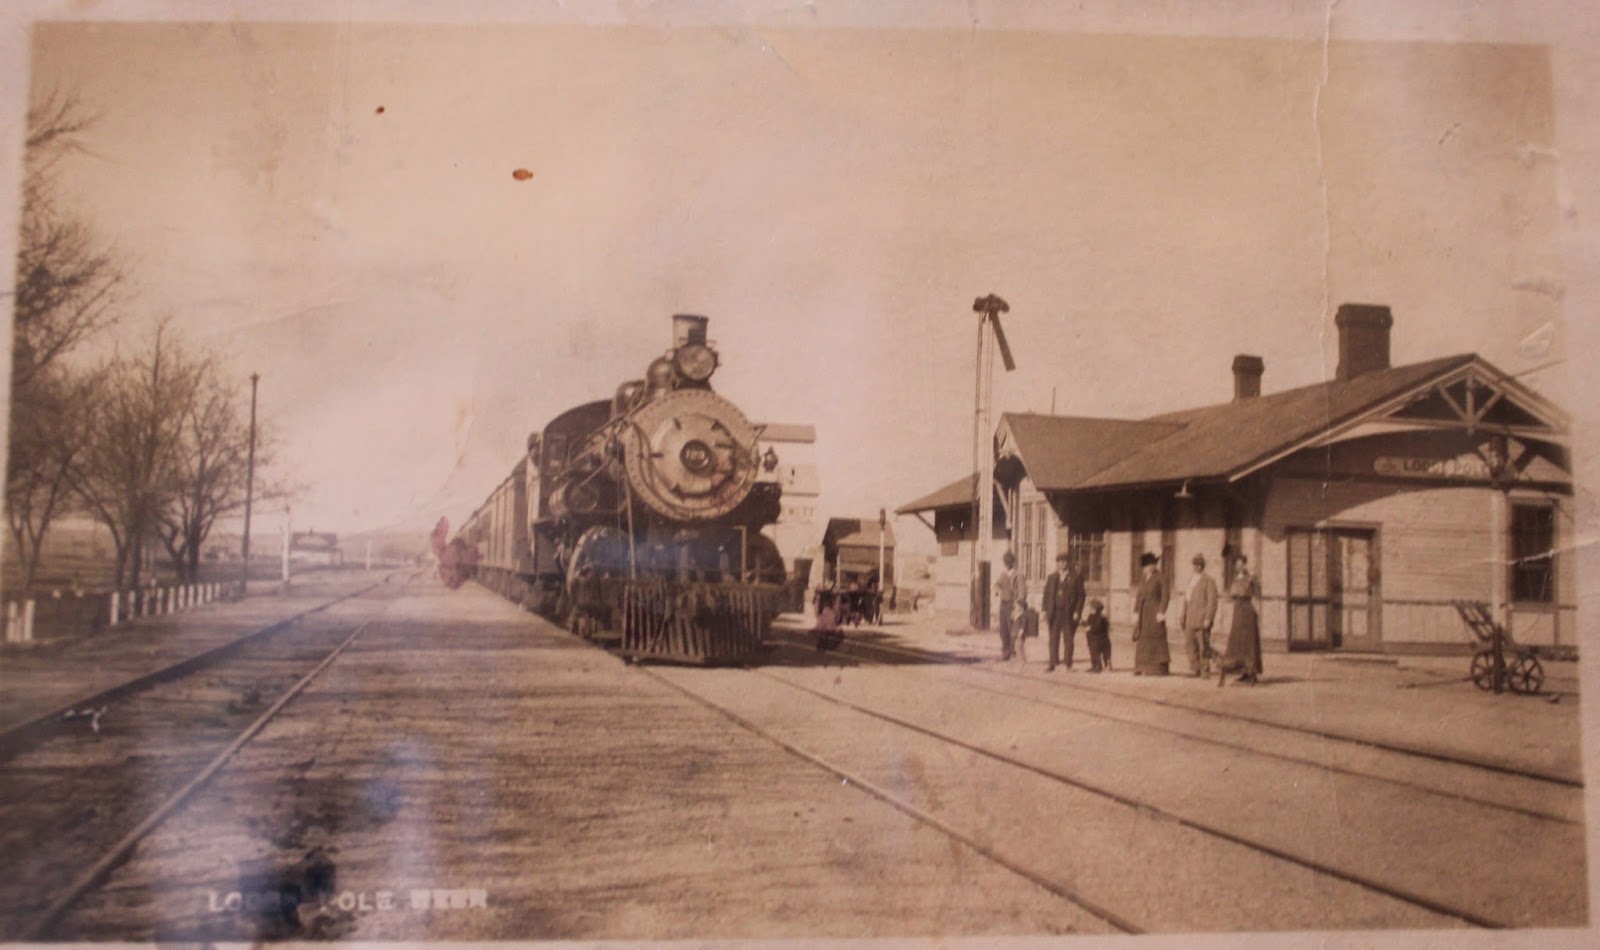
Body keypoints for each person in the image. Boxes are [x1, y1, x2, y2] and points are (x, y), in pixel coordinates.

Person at [1217, 555, 1263, 686]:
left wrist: (1257, 612)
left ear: (1245, 564)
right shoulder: (1235, 580)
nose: (1239, 567)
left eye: (1241, 564)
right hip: (1237, 611)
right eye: (1237, 565)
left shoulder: (1251, 579)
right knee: (1237, 641)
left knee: (1249, 642)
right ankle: (1243, 671)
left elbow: (1258, 596)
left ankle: (1251, 673)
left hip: (1248, 611)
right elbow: (1231, 597)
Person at [1042, 552, 1086, 671]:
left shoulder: (1076, 577)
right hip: (1054, 612)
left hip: (1069, 613)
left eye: (1064, 561)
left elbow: (1081, 596)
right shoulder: (1052, 577)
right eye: (1059, 562)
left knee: (1068, 638)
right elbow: (1046, 594)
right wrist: (1044, 611)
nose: (1061, 564)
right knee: (1053, 638)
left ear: (1068, 562)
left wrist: (1077, 611)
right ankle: (1052, 663)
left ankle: (1068, 664)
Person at [1132, 552, 1170, 675]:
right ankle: (1141, 667)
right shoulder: (1143, 578)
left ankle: (1157, 669)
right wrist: (1136, 611)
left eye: (1147, 566)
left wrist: (1161, 611)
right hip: (1144, 613)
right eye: (1143, 567)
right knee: (1143, 638)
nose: (1144, 569)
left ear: (1153, 566)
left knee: (1156, 637)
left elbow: (1165, 596)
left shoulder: (1161, 577)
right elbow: (1139, 596)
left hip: (1155, 612)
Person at [1182, 554, 1220, 677]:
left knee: (1203, 645)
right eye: (1194, 564)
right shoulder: (1191, 580)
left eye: (1198, 565)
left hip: (1201, 619)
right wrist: (1183, 616)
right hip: (1190, 619)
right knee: (1190, 645)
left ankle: (1205, 670)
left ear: (1202, 566)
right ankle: (1195, 668)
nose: (1196, 567)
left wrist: (1208, 618)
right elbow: (1186, 600)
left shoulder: (1209, 581)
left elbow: (1212, 601)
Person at [994, 550, 1027, 661]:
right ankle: (1005, 652)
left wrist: (1019, 604)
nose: (1006, 563)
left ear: (1012, 562)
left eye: (1008, 561)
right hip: (1003, 604)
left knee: (1012, 630)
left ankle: (1013, 652)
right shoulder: (1003, 574)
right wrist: (997, 589)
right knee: (1003, 630)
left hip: (1013, 604)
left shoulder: (1018, 575)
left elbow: (1022, 591)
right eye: (1005, 561)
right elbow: (997, 585)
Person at [1083, 598, 1111, 672]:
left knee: (1095, 653)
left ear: (1095, 609)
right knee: (1102, 653)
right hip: (1101, 639)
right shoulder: (1102, 617)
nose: (1090, 609)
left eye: (1091, 608)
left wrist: (1089, 628)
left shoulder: (1095, 617)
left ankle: (1097, 666)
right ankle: (1103, 665)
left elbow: (1096, 627)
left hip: (1096, 639)